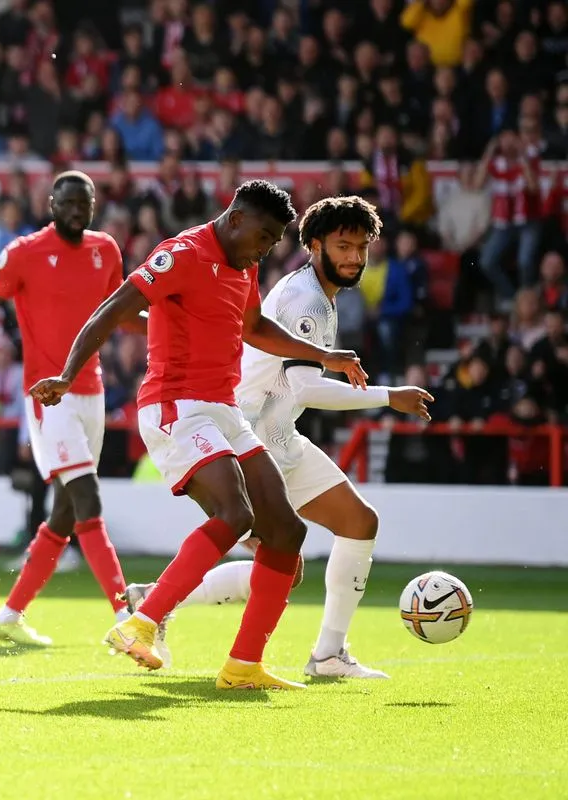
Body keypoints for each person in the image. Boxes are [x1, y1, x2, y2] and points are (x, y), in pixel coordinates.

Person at [30, 180, 368, 690]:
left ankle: (243, 666)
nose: (265, 250)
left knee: (286, 532)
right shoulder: (183, 254)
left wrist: (323, 356)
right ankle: (141, 622)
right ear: (236, 219)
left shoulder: (244, 263)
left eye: (274, 242)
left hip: (223, 409)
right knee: (235, 514)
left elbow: (254, 326)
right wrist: (67, 374)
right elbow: (111, 309)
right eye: (263, 237)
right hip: (176, 406)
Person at [126, 196, 434, 679]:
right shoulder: (305, 299)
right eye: (343, 246)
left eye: (361, 248)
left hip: (279, 433)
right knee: (284, 559)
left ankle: (327, 654)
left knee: (358, 523)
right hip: (248, 434)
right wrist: (387, 396)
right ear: (315, 246)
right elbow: (306, 387)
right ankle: (161, 608)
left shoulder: (318, 294)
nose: (354, 257)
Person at [0, 171, 135, 646]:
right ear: (51, 204)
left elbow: (119, 312)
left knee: (65, 513)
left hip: (91, 392)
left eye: (84, 203)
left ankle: (9, 615)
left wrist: (173, 319)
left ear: (93, 206)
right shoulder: (24, 252)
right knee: (88, 499)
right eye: (68, 202)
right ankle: (127, 616)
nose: (76, 210)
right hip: (48, 396)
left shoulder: (106, 250)